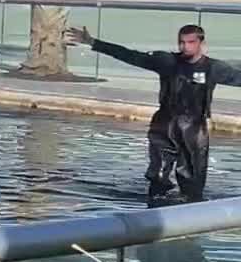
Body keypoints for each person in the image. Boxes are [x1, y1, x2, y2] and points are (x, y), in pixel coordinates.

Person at [68, 23, 241, 205]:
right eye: (181, 42)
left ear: (201, 43)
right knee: (158, 177)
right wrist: (93, 42)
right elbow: (131, 55)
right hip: (164, 124)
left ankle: (191, 215)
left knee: (192, 182)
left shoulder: (213, 67)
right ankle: (154, 210)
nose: (185, 46)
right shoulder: (166, 61)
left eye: (190, 42)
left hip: (194, 128)